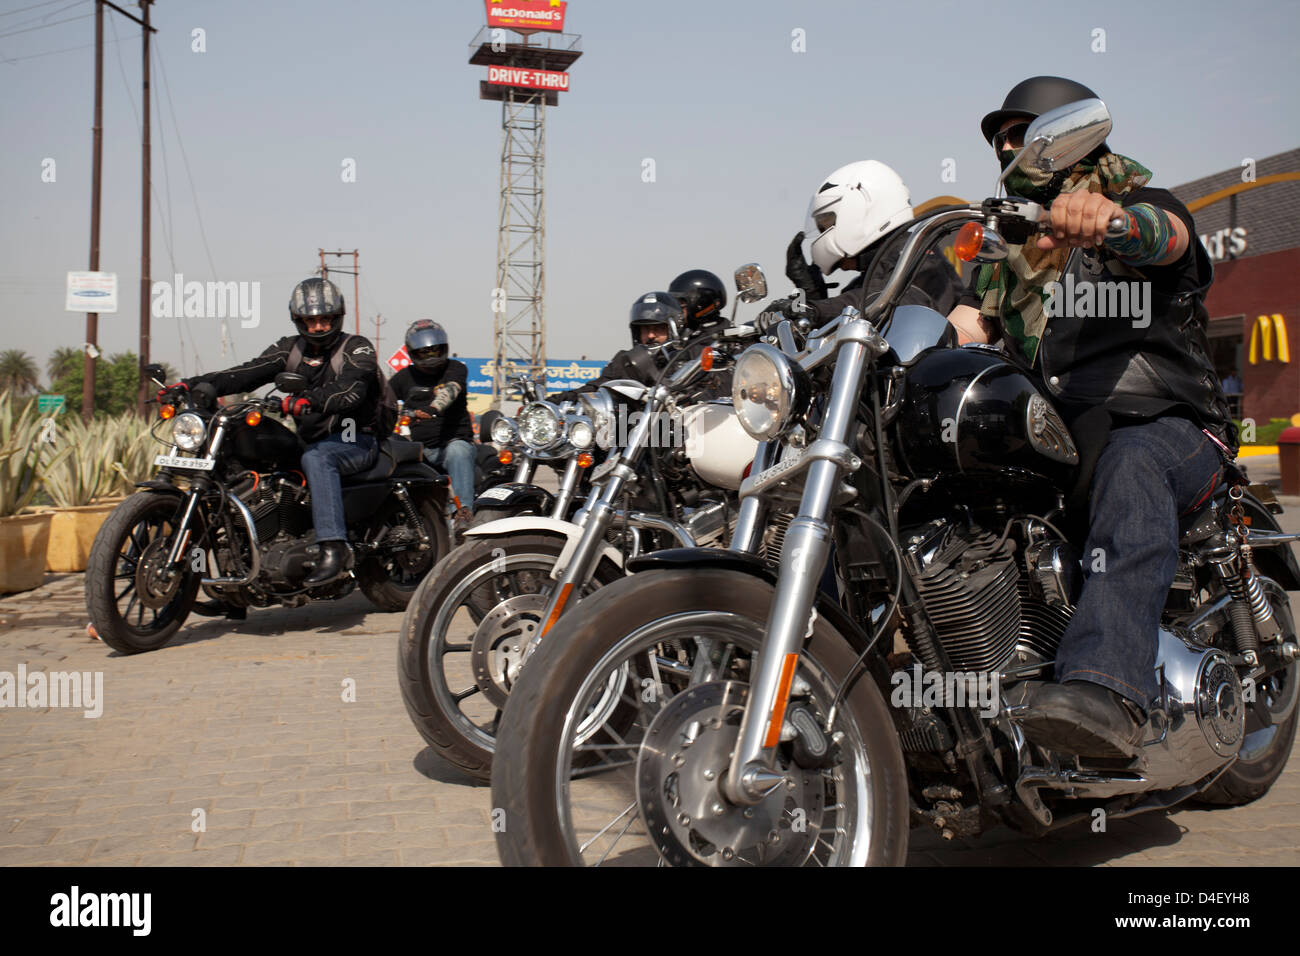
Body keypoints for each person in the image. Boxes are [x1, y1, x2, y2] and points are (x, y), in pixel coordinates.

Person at [946, 76, 1236, 757]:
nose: (1008, 148)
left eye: (1021, 133)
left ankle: (1106, 689)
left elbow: (1171, 241)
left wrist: (1109, 222)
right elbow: (962, 328)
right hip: (1067, 440)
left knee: (1131, 465)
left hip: (1166, 425)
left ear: (1067, 135)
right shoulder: (1007, 256)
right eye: (1001, 140)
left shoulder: (1137, 205)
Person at [167, 276, 381, 587]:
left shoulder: (356, 347)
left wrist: (307, 400)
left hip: (355, 438)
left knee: (319, 459)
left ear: (337, 317)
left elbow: (352, 390)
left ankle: (334, 548)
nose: (318, 327)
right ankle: (237, 574)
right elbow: (244, 373)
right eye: (311, 320)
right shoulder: (289, 349)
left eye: (325, 319)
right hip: (309, 442)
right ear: (299, 320)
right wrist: (193, 384)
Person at [784, 160, 966, 321]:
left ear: (859, 209)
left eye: (827, 223)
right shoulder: (868, 277)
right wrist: (813, 294)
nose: (823, 233)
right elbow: (848, 319)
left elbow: (885, 301)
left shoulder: (920, 257)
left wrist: (814, 309)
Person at [390, 320, 475, 533]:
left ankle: (462, 512)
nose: (430, 357)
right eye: (423, 352)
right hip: (422, 448)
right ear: (412, 353)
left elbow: (451, 389)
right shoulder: (403, 378)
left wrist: (434, 408)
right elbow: (383, 400)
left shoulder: (455, 368)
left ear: (444, 348)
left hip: (454, 442)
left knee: (458, 450)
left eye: (435, 350)